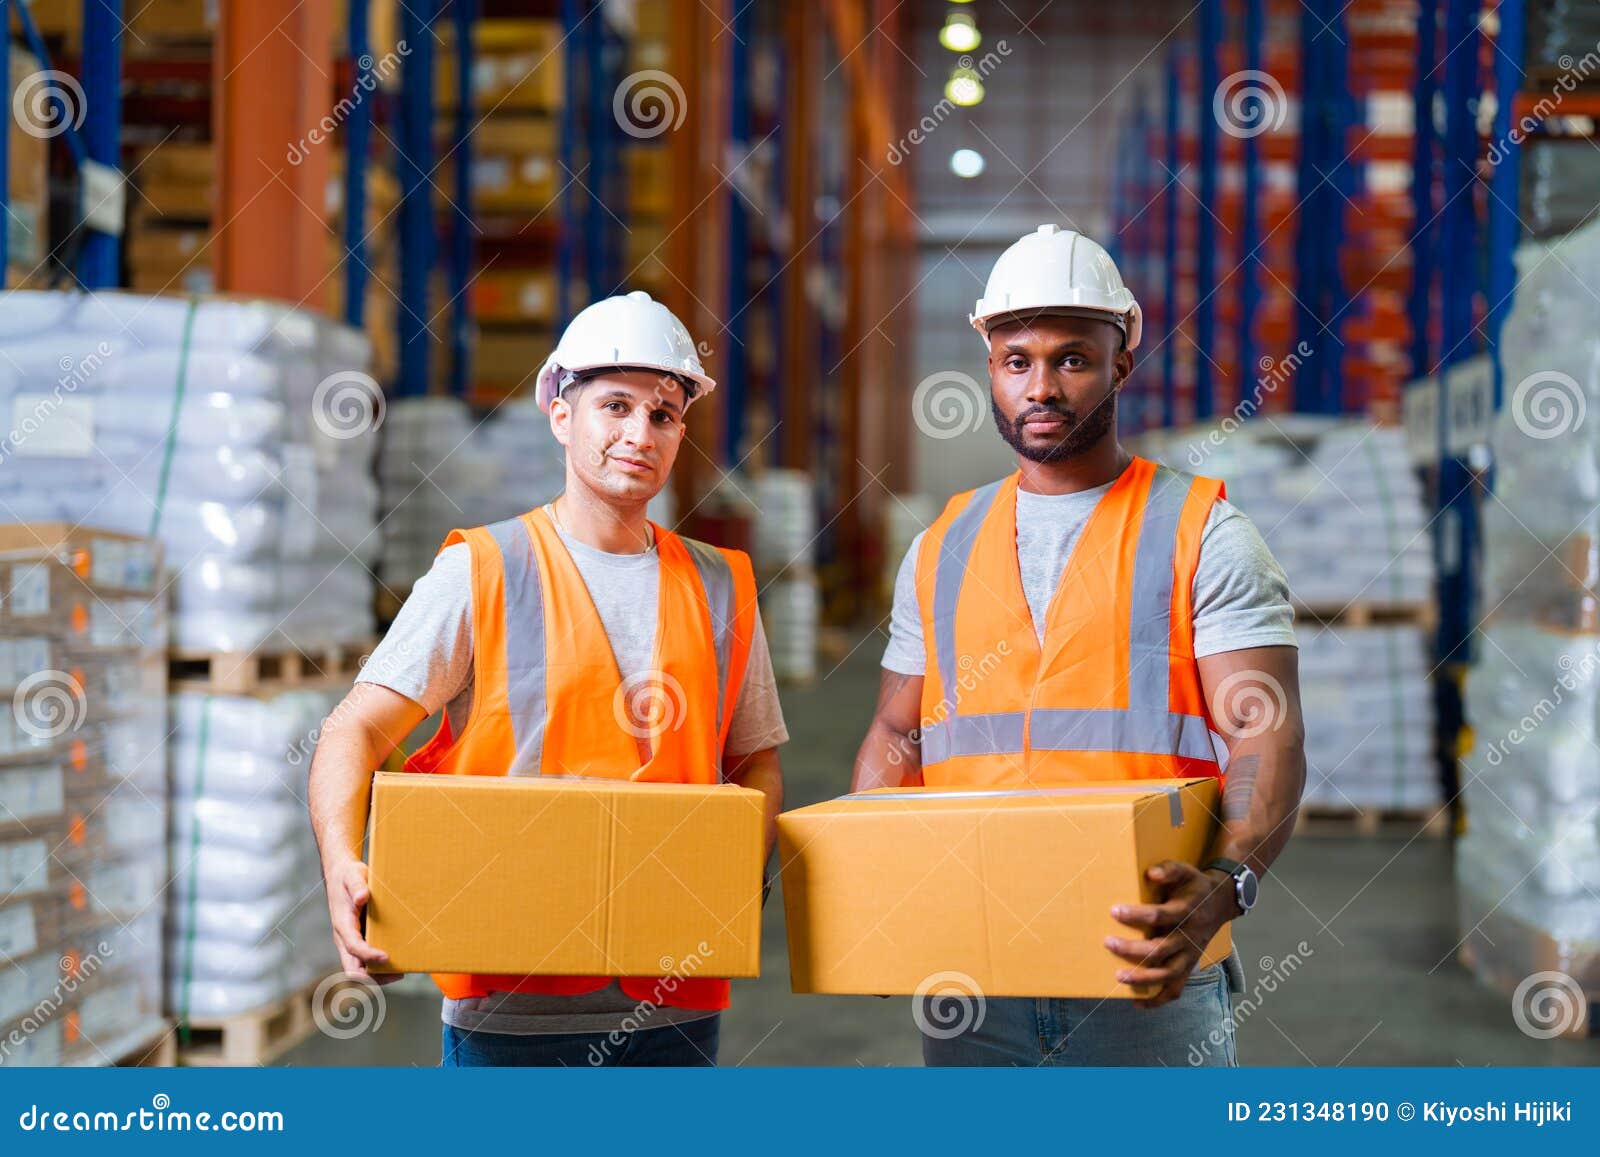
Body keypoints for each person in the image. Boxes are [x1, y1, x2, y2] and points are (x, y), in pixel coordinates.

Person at [854, 225, 1305, 1066]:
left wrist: (1228, 883)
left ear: (1121, 362)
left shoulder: (1203, 534)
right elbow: (895, 731)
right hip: (975, 973)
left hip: (1145, 969)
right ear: (989, 366)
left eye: (1072, 358)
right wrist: (878, 882)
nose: (1042, 386)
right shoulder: (943, 545)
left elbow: (1266, 731)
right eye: (1017, 359)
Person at [308, 291, 787, 1067]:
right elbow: (353, 728)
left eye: (663, 414)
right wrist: (340, 862)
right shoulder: (485, 570)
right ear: (562, 415)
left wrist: (734, 876)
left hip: (672, 1003)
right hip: (510, 1007)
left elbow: (755, 757)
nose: (639, 433)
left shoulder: (721, 585)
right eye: (616, 406)